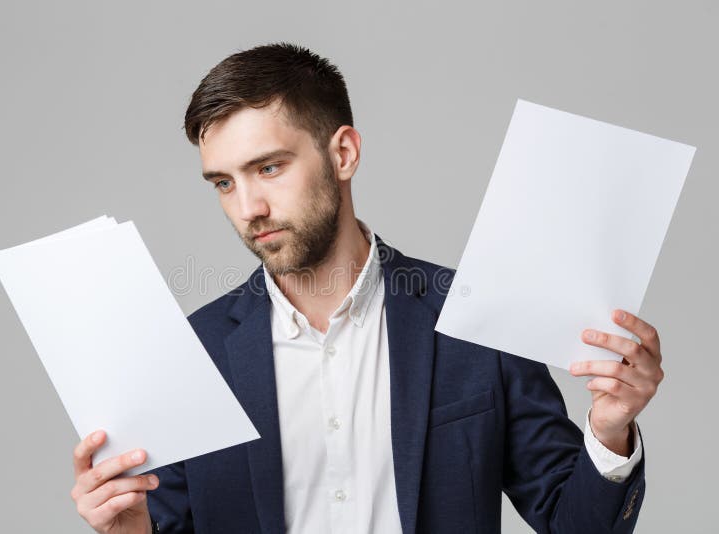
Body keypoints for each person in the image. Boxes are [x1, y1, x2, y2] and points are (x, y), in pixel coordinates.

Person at [69, 42, 662, 533]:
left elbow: (573, 523)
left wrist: (610, 431)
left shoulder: (474, 319)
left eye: (269, 167)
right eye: (223, 182)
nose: (248, 207)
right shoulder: (191, 353)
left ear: (344, 153)